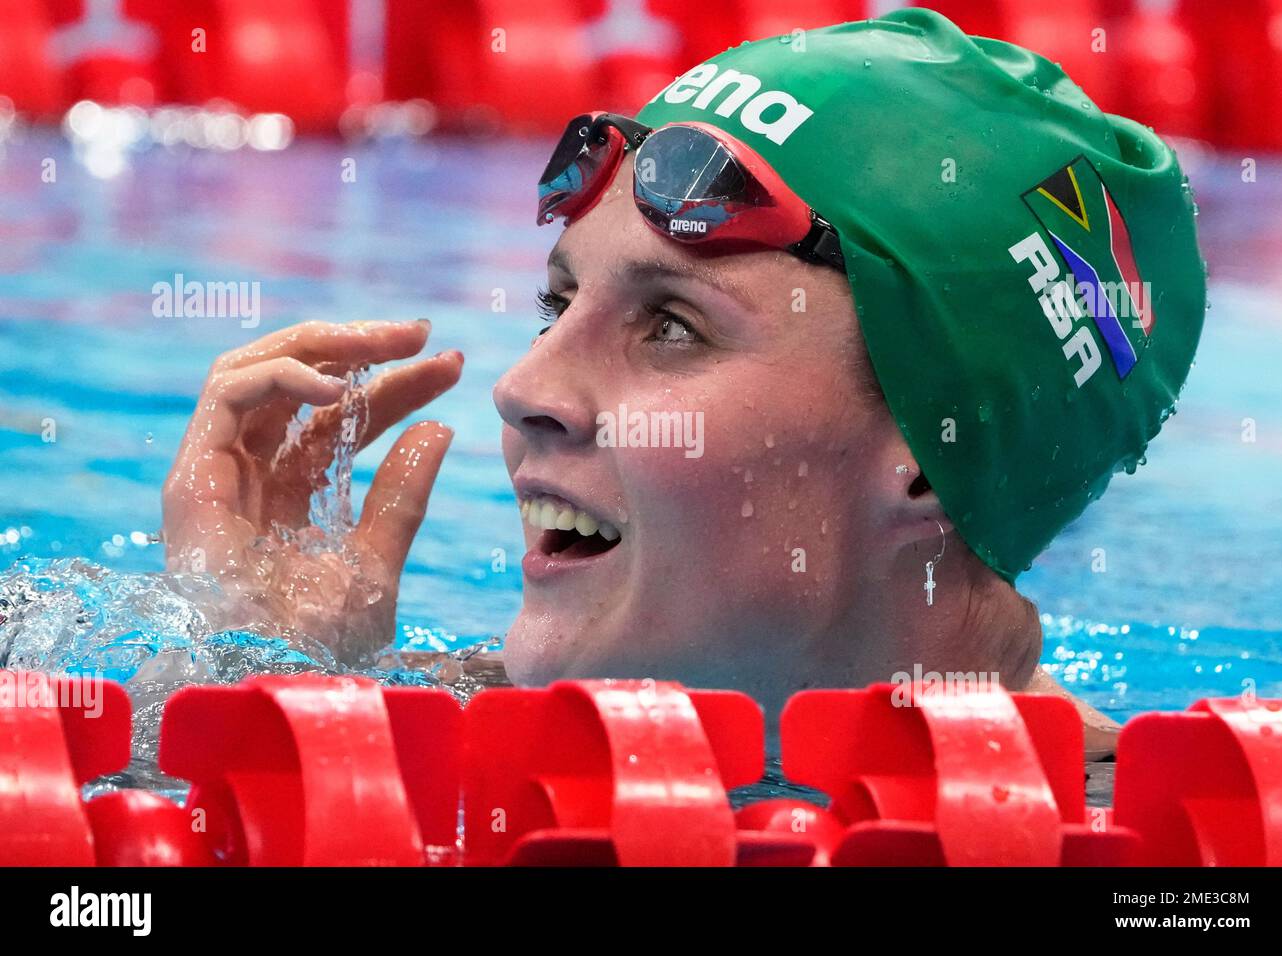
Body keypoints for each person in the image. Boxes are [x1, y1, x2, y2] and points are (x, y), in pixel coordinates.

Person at [162, 10, 1205, 759]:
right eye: (556, 303)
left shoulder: (1165, 839)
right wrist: (251, 675)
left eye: (671, 326)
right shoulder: (458, 720)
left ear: (929, 458)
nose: (525, 385)